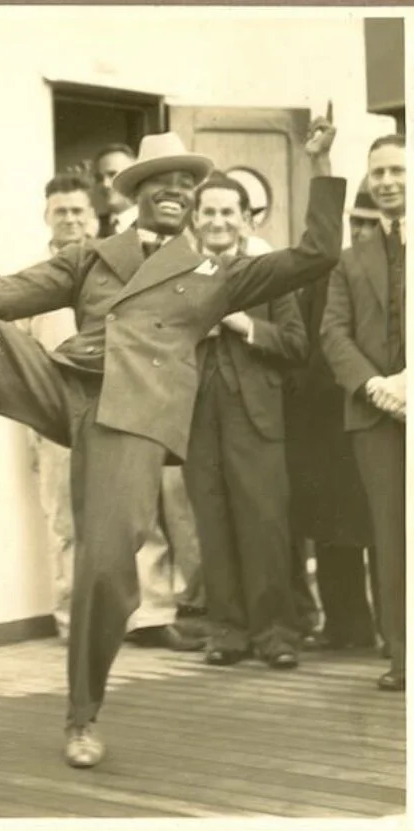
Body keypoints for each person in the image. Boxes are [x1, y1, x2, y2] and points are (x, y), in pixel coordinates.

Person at [0, 122, 343, 769]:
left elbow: (314, 253)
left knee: (106, 567)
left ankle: (81, 713)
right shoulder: (92, 256)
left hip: (133, 420)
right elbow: (13, 290)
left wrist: (319, 159)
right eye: (158, 182)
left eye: (184, 183)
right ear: (135, 193)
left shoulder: (217, 275)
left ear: (195, 198)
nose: (172, 191)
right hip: (67, 387)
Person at [12, 173, 202, 651]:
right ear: (46, 217)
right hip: (58, 415)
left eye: (79, 210)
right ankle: (76, 622)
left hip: (124, 408)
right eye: (62, 211)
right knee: (68, 521)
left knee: (140, 515)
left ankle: (152, 616)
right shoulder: (36, 276)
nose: (72, 219)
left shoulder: (116, 265)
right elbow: (14, 354)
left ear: (93, 215)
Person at [185, 172, 308, 668]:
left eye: (227, 212)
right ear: (195, 221)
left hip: (256, 417)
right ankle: (227, 633)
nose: (217, 220)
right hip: (196, 416)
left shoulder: (270, 274)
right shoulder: (179, 280)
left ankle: (276, 635)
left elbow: (298, 344)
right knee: (212, 526)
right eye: (208, 212)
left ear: (245, 219)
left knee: (265, 524)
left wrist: (242, 324)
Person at [321, 134, 406, 693]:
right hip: (377, 416)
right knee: (392, 537)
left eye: (398, 169)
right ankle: (403, 656)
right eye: (378, 172)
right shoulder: (351, 261)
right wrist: (376, 386)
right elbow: (333, 333)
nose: (388, 181)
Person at [285, 179, 381, 654]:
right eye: (356, 222)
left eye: (370, 222)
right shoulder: (325, 274)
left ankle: (396, 633)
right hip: (323, 419)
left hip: (381, 412)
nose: (361, 231)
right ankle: (346, 627)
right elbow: (306, 342)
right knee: (330, 525)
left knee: (384, 528)